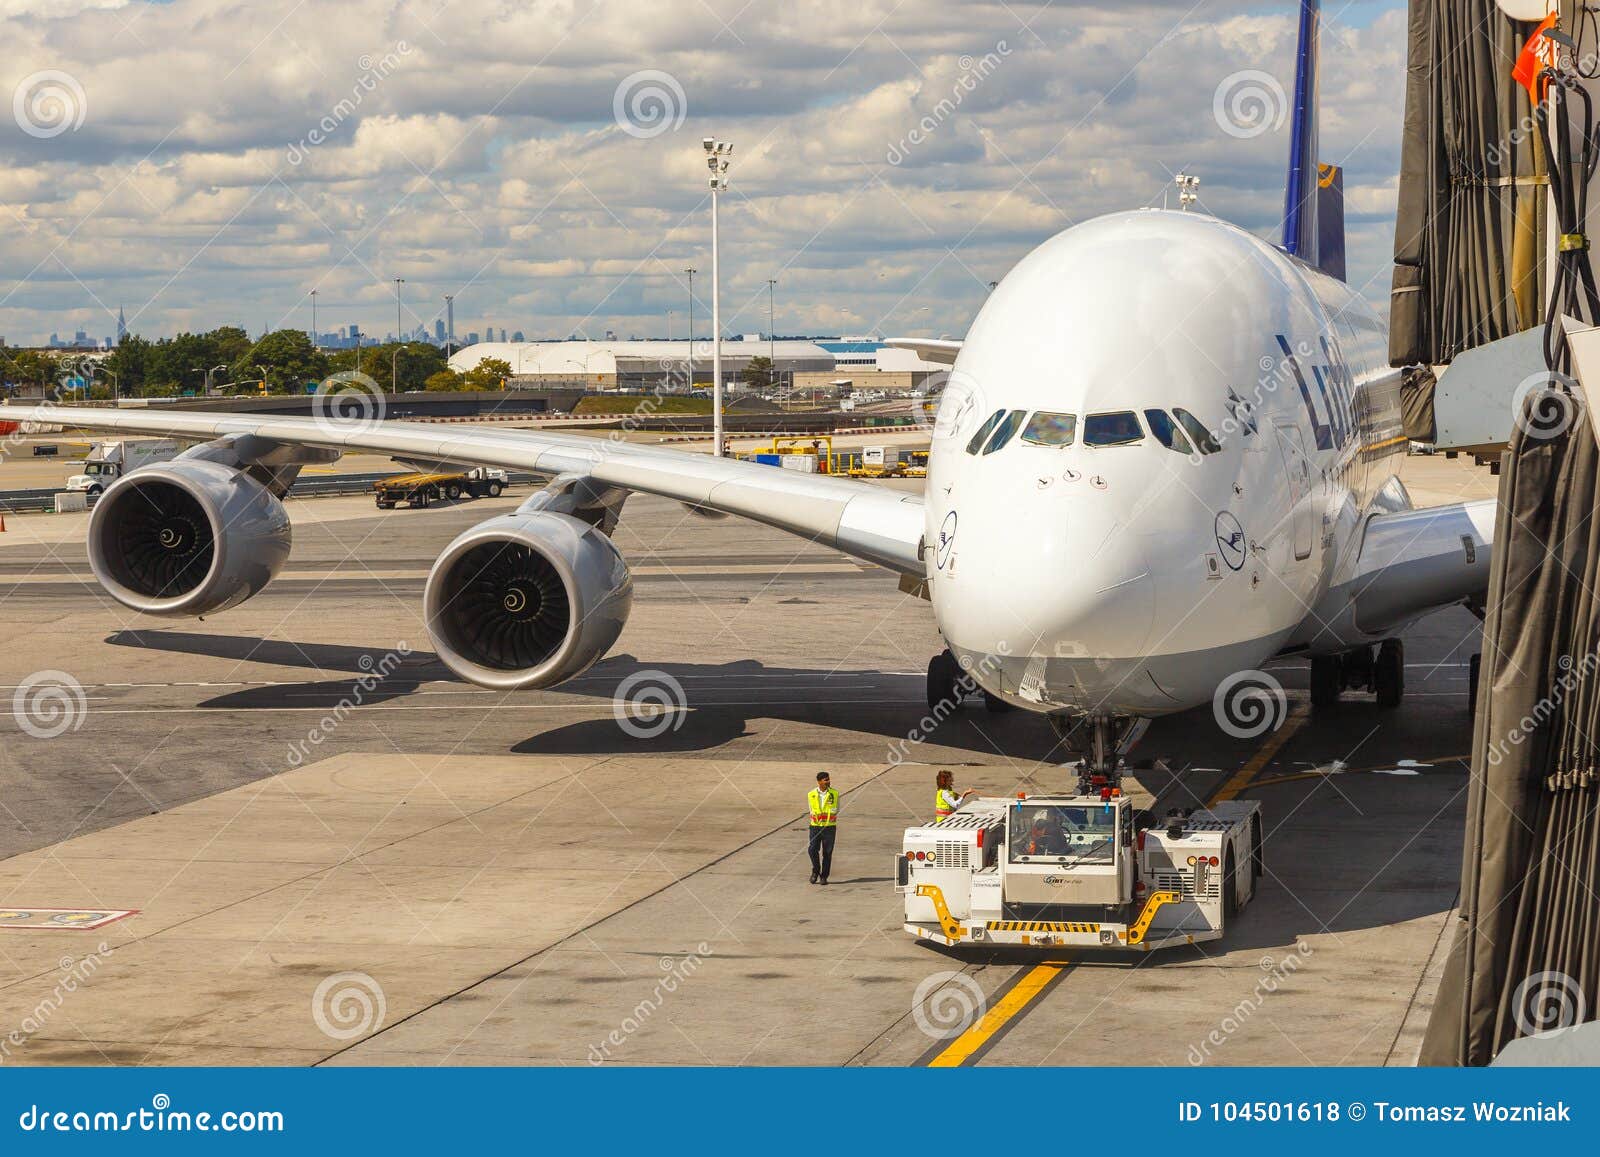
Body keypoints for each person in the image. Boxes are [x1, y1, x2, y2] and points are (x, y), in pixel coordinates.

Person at [807, 771, 838, 885]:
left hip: (829, 827)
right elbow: (811, 809)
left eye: (829, 779)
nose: (828, 781)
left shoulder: (834, 793)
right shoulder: (811, 794)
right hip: (815, 826)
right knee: (812, 849)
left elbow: (836, 808)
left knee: (827, 853)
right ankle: (815, 871)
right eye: (826, 780)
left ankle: (824, 876)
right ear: (819, 782)